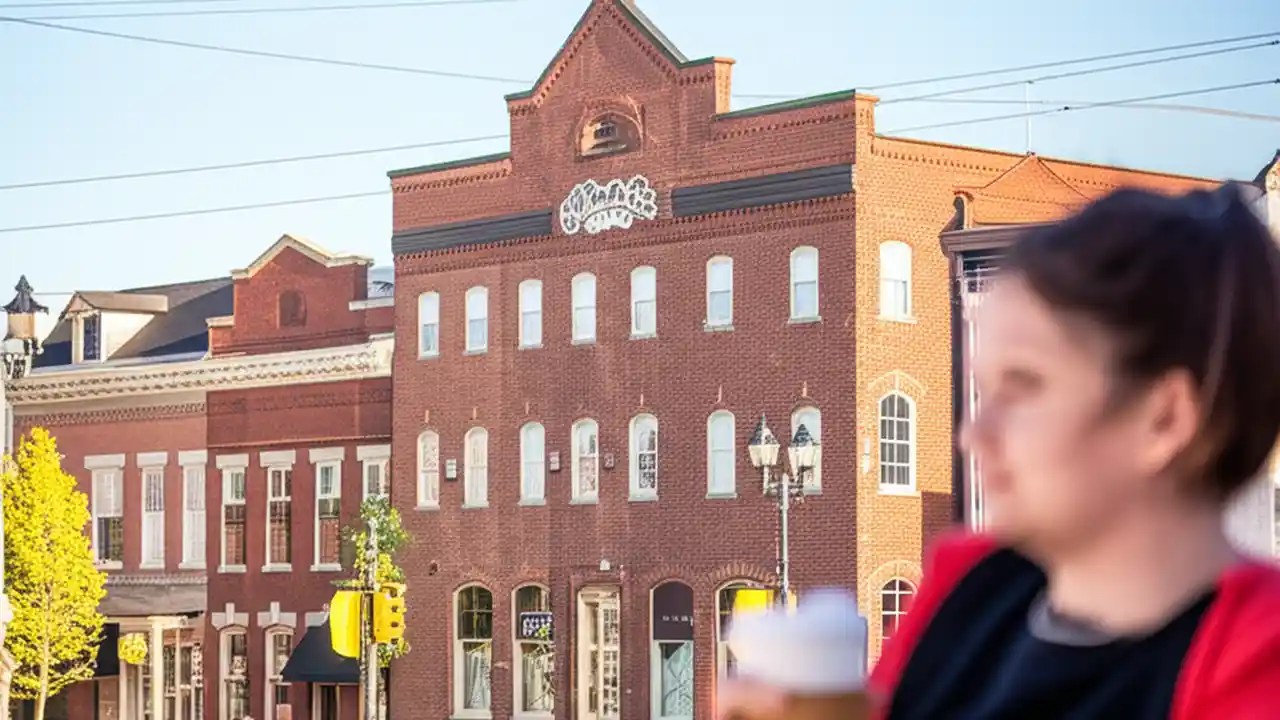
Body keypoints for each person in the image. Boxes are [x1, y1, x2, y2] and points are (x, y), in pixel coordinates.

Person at [716, 183, 1280, 720]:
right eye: (984, 391)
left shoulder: (1256, 653)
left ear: (1164, 419)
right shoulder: (967, 583)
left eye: (1024, 387)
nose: (973, 433)